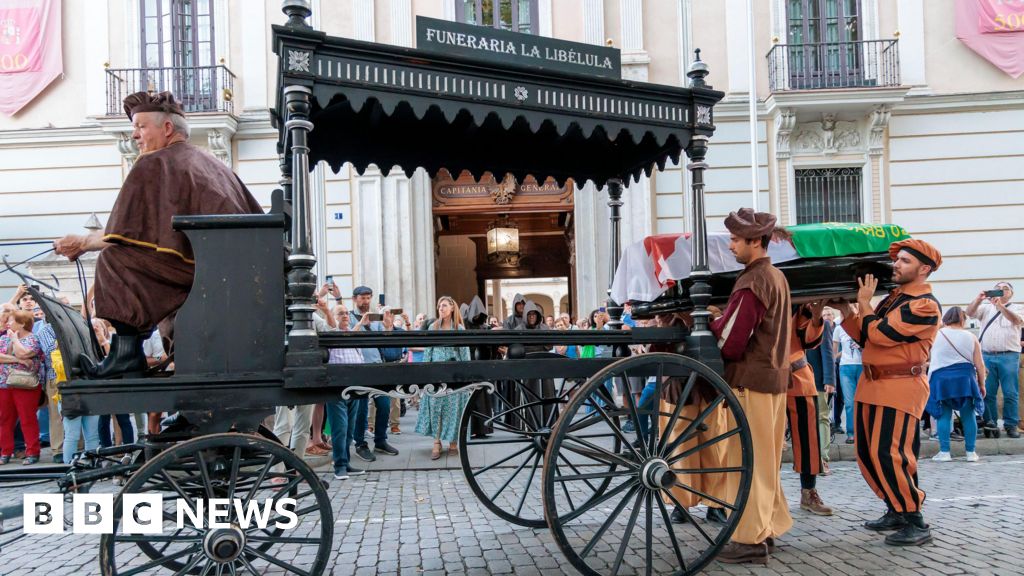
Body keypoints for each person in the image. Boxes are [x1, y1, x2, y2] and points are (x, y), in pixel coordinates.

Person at [52, 91, 263, 378]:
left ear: (166, 129)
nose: (134, 135)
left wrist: (84, 242)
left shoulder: (156, 162)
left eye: (140, 126)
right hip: (232, 272)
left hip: (207, 272)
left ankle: (126, 354)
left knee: (114, 259)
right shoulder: (210, 162)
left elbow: (122, 234)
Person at [832, 238, 943, 547]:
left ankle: (915, 520)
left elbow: (881, 335)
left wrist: (865, 303)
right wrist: (847, 310)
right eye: (898, 260)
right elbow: (865, 337)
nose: (896, 264)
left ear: (924, 269)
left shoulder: (925, 305)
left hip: (900, 387)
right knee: (869, 453)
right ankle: (896, 508)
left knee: (890, 453)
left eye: (905, 261)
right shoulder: (893, 299)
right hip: (874, 384)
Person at [708, 208, 793, 564]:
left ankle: (750, 539)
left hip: (751, 381)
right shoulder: (775, 276)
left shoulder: (754, 281)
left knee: (750, 460)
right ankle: (766, 527)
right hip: (772, 381)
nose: (730, 246)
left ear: (754, 242)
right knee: (766, 460)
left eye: (735, 240)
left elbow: (731, 342)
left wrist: (713, 321)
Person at [786, 302, 835, 515]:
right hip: (763, 376)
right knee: (762, 442)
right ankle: (766, 494)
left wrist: (816, 318)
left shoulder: (797, 305)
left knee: (808, 439)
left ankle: (809, 492)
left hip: (796, 374)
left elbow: (810, 340)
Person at [926, 307, 986, 462]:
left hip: (942, 379)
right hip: (965, 379)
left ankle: (945, 452)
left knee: (944, 415)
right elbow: (979, 364)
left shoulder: (935, 335)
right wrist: (982, 384)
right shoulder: (971, 336)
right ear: (963, 320)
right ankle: (971, 453)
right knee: (968, 415)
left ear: (946, 319)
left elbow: (927, 357)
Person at [415, 296, 471, 459]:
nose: (441, 308)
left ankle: (453, 441)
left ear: (452, 308)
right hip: (436, 373)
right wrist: (426, 374)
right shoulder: (433, 327)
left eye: (444, 305)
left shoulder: (459, 329)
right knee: (436, 407)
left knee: (454, 409)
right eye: (439, 305)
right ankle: (437, 442)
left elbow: (465, 354)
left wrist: (466, 376)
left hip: (454, 373)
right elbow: (428, 351)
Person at [349, 286, 400, 461]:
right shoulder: (349, 317)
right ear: (355, 299)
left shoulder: (375, 318)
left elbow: (385, 341)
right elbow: (346, 337)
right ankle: (360, 444)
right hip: (360, 367)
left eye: (368, 297)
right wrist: (359, 324)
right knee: (361, 409)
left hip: (377, 366)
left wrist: (387, 327)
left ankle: (380, 441)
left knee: (384, 405)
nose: (366, 301)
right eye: (362, 298)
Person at [966, 281, 1023, 439]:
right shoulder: (985, 308)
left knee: (1010, 392)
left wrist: (1000, 307)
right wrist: (979, 298)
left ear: (1011, 293)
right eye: (998, 289)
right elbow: (969, 313)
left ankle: (1011, 425)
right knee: (988, 392)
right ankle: (990, 424)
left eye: (1005, 289)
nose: (1001, 291)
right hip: (987, 355)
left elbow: (1017, 321)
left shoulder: (1018, 307)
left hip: (1009, 355)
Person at [325, 304, 365, 480]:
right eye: (340, 313)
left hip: (353, 387)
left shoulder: (351, 334)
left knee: (349, 429)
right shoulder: (332, 333)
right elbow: (331, 324)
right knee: (339, 428)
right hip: (337, 388)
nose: (345, 316)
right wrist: (327, 310)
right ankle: (339, 465)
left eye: (346, 313)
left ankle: (346, 462)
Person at [0, 310, 45, 465]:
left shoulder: (33, 339)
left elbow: (25, 354)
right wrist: (17, 359)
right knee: (5, 419)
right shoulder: (4, 338)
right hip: (4, 383)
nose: (7, 324)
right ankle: (5, 451)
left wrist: (15, 340)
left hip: (26, 385)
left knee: (27, 418)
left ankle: (32, 452)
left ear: (22, 323)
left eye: (11, 321)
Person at [804, 305, 836, 474]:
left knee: (821, 418)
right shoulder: (801, 323)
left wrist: (829, 380)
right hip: (802, 379)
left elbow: (828, 352)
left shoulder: (824, 325)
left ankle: (823, 457)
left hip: (817, 380)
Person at [833, 313, 863, 444]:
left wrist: (861, 346)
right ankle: (851, 433)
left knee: (862, 401)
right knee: (849, 402)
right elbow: (833, 353)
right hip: (845, 367)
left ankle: (863, 433)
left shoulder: (862, 327)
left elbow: (871, 347)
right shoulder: (839, 328)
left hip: (862, 366)